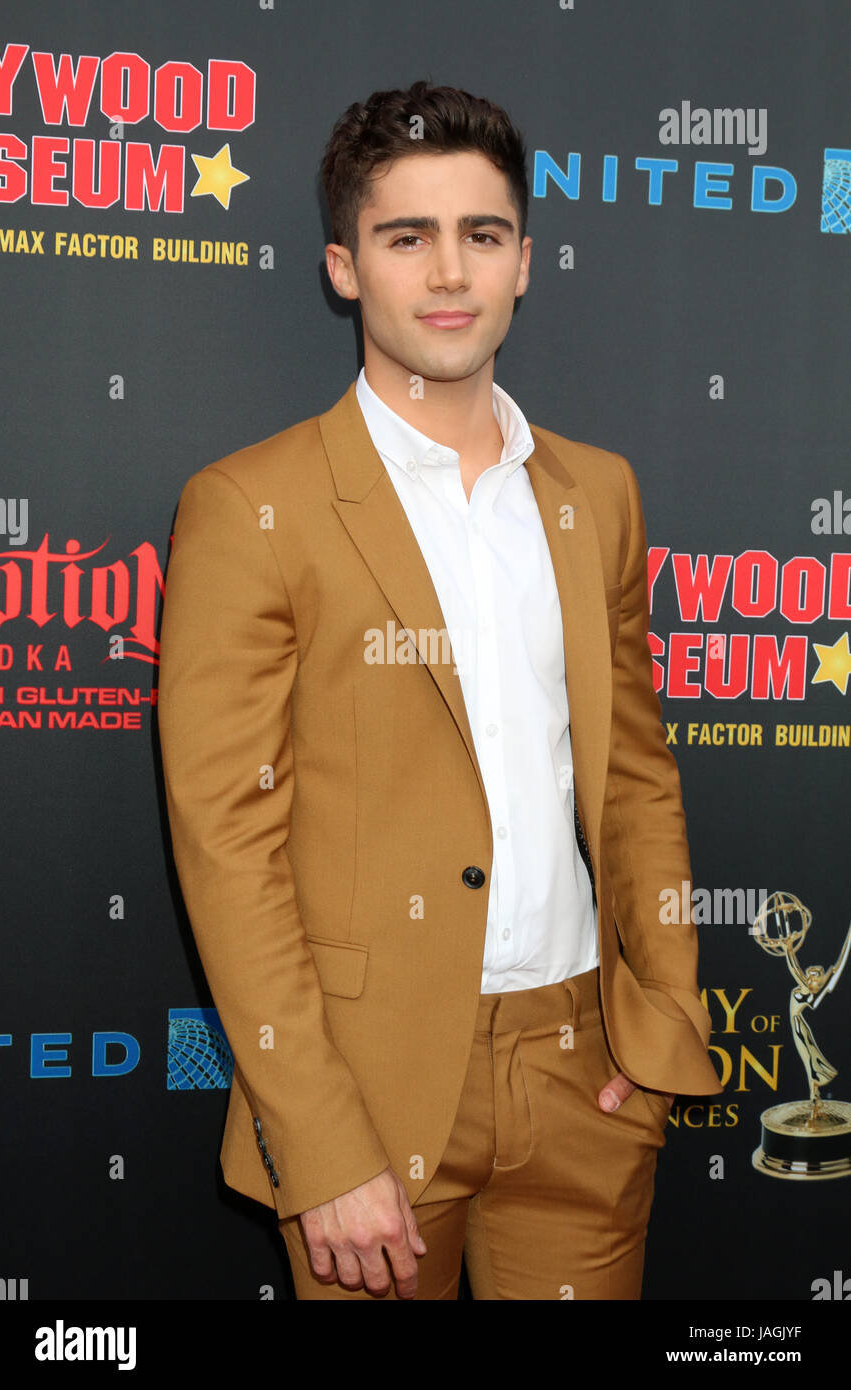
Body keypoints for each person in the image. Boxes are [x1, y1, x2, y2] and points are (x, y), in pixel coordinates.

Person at [157, 79, 722, 1301]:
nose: (449, 270)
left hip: (584, 1073)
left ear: (524, 259)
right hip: (365, 1095)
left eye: (482, 233)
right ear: (343, 267)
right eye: (405, 237)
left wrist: (662, 1016)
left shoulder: (596, 495)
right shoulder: (253, 508)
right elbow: (225, 843)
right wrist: (315, 1139)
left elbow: (633, 775)